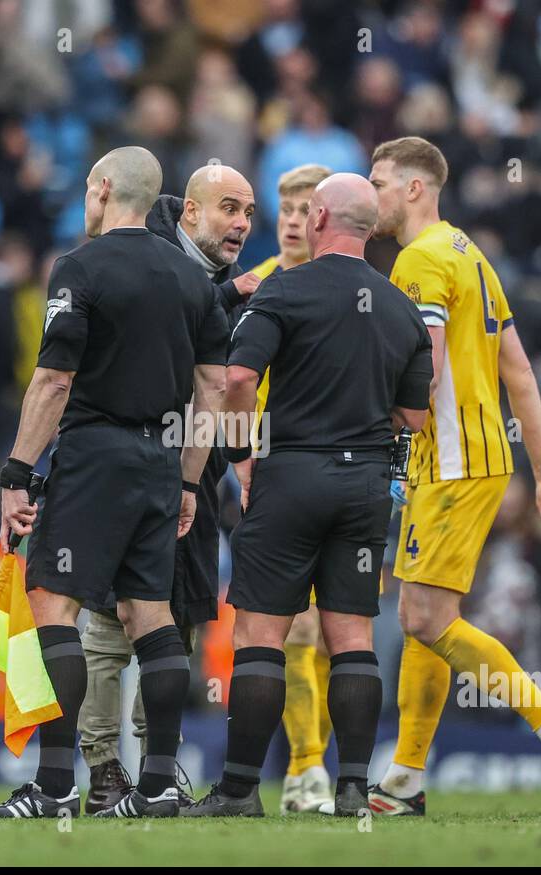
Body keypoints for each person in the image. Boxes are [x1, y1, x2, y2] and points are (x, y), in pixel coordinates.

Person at [0, 147, 228, 820]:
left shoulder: (78, 268)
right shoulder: (192, 277)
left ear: (105, 190)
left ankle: (54, 790)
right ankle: (162, 784)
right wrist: (191, 483)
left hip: (93, 456)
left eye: (88, 190)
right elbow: (214, 389)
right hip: (161, 463)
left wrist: (16, 473)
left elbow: (53, 381)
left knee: (55, 608)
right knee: (151, 614)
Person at [365, 136, 541, 818]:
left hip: (449, 460)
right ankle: (407, 776)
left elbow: (425, 370)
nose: (373, 193)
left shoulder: (419, 260)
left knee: (426, 616)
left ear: (414, 188)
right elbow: (519, 368)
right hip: (472, 458)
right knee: (421, 615)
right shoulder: (469, 252)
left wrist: (376, 419)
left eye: (380, 181)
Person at [183, 173, 433, 817]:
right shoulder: (401, 306)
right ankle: (352, 788)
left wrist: (240, 454)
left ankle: (239, 790)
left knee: (261, 637)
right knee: (351, 637)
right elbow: (415, 415)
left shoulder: (284, 288)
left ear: (319, 217)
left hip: (290, 476)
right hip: (366, 485)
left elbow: (238, 377)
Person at [77, 160, 259, 815]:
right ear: (189, 212)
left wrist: (231, 458)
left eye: (248, 214)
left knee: (174, 621)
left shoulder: (209, 279)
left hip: (191, 476)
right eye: (229, 210)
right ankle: (104, 772)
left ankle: (155, 769)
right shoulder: (150, 256)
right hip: (128, 463)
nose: (241, 224)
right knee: (103, 623)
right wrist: (238, 294)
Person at [245, 162, 338, 813]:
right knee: (297, 630)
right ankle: (308, 771)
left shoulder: (355, 291)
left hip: (343, 476)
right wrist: (241, 458)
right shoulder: (253, 288)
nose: (295, 218)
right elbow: (229, 384)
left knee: (337, 637)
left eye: (307, 206)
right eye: (286, 207)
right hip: (271, 475)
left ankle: (313, 765)